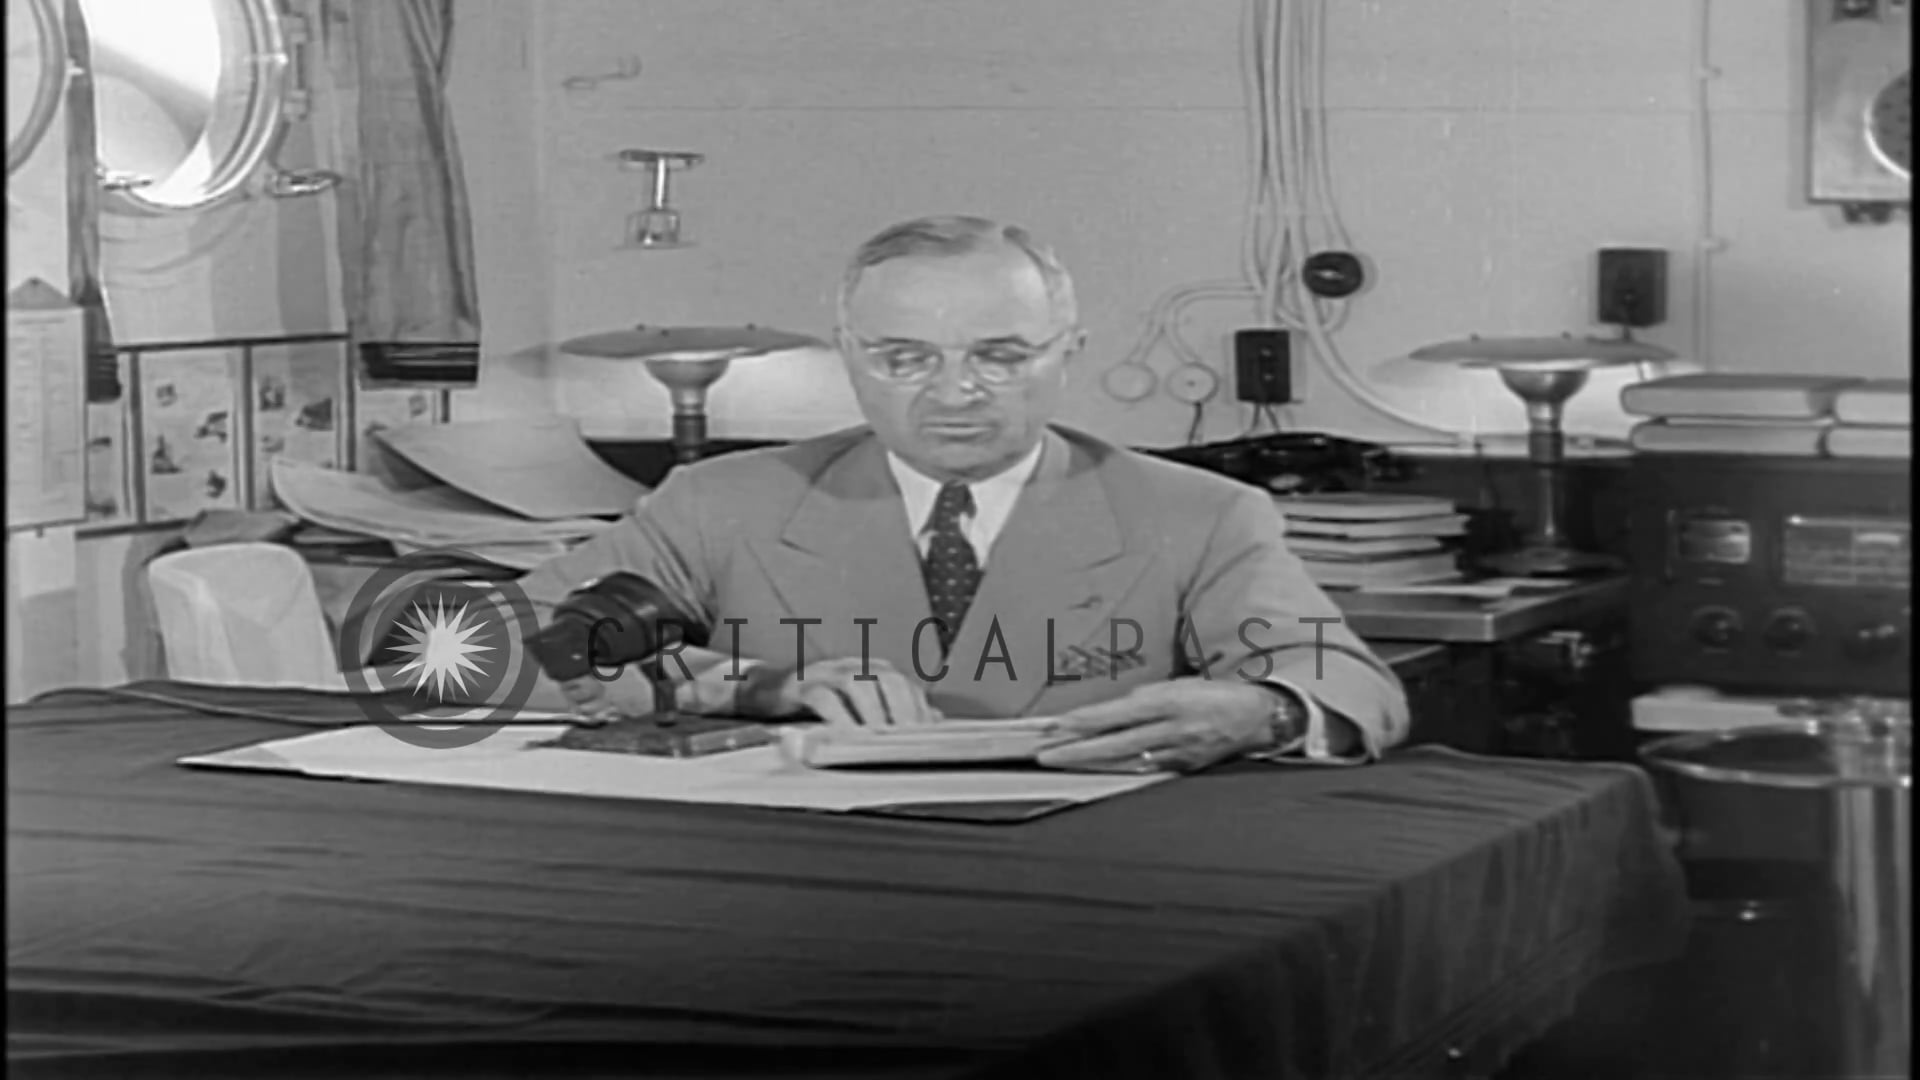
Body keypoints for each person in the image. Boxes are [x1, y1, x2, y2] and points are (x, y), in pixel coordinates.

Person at [513, 215, 1409, 771]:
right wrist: (753, 688)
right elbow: (486, 651)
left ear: (1070, 350)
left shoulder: (1199, 513)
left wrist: (1261, 712)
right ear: (851, 351)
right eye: (905, 358)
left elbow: (1348, 682)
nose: (953, 393)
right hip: (775, 894)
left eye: (1000, 355)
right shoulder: (722, 502)